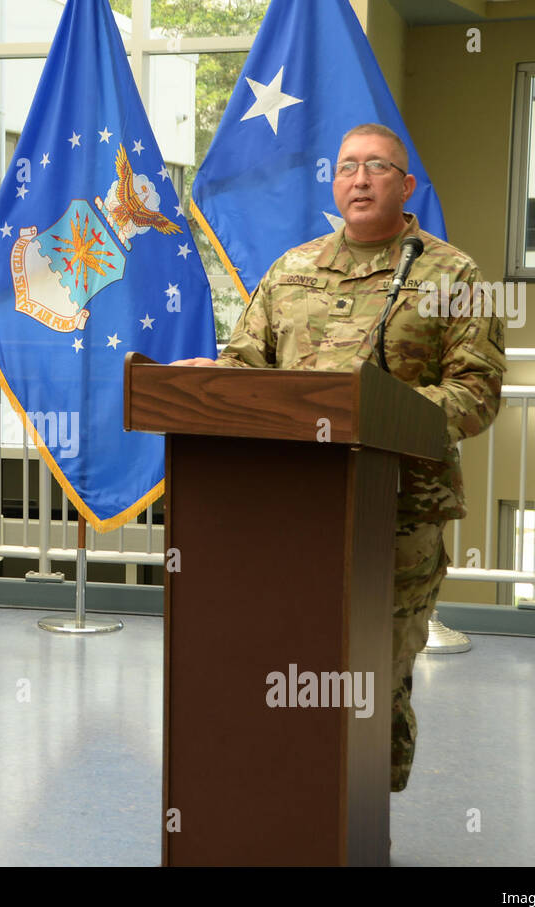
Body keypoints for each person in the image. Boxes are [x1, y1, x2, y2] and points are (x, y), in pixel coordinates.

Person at [178, 123, 505, 791]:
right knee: (290, 665)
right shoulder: (291, 269)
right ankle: (292, 815)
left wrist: (381, 416)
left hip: (400, 514)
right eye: (348, 167)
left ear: (405, 185)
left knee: (374, 676)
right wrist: (205, 377)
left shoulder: (452, 274)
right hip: (291, 513)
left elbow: (477, 394)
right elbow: (246, 369)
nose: (360, 178)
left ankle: (359, 823)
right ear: (334, 184)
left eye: (378, 167)